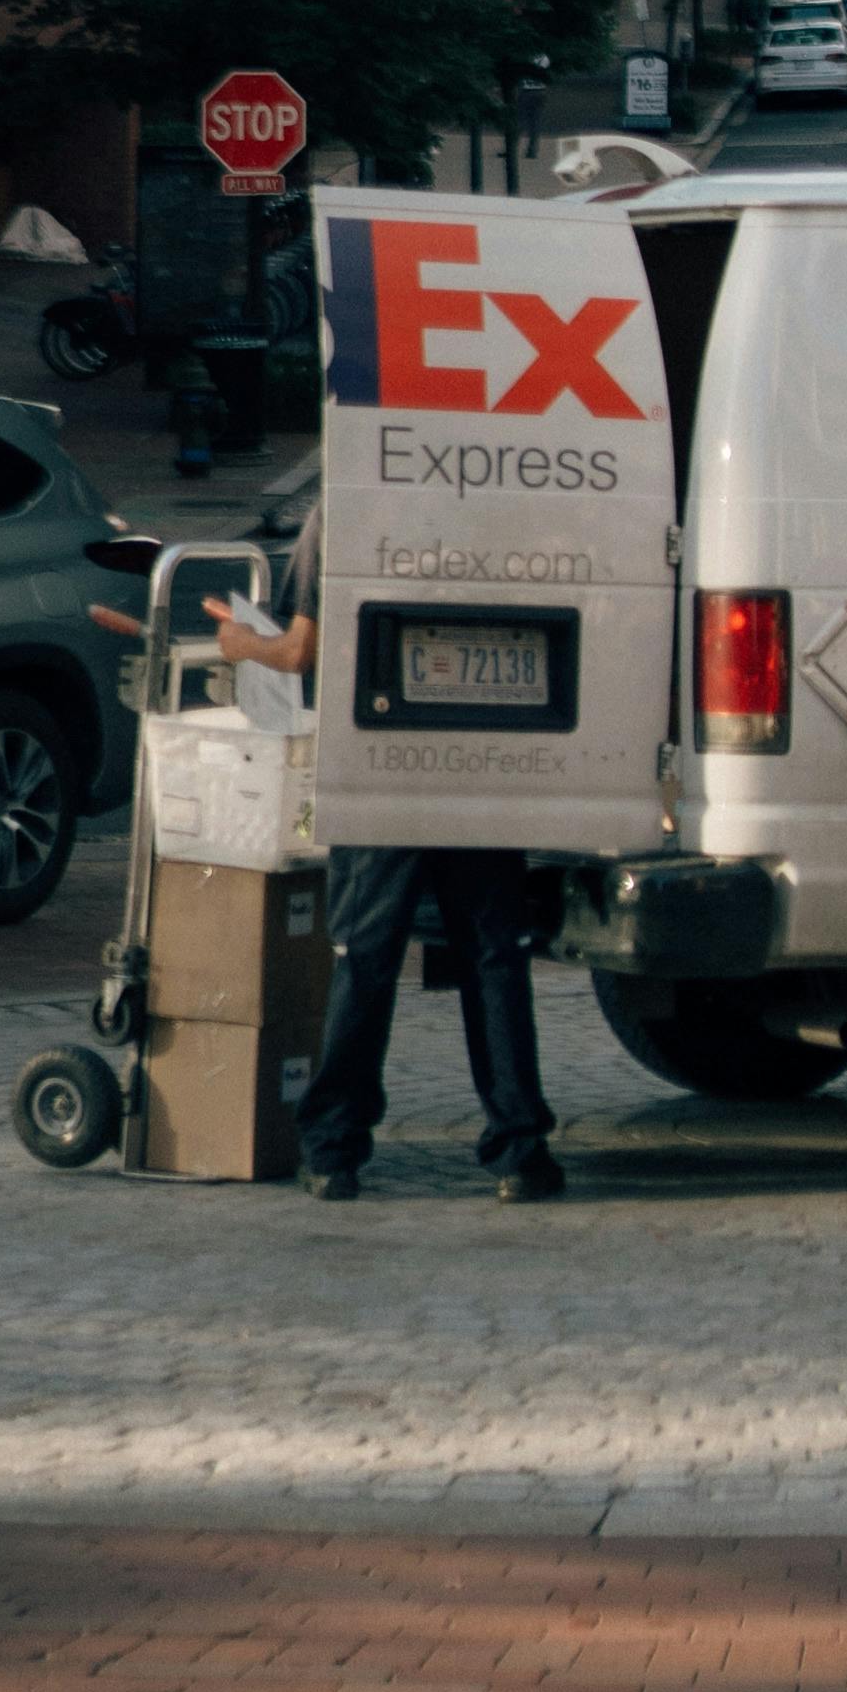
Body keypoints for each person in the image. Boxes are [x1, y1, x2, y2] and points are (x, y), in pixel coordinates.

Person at [192, 506, 566, 1208]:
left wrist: (241, 643)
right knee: (494, 957)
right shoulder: (486, 498)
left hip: (384, 755)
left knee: (367, 957)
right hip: (480, 756)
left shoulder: (341, 510)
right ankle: (520, 1150)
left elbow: (303, 651)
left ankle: (334, 1151)